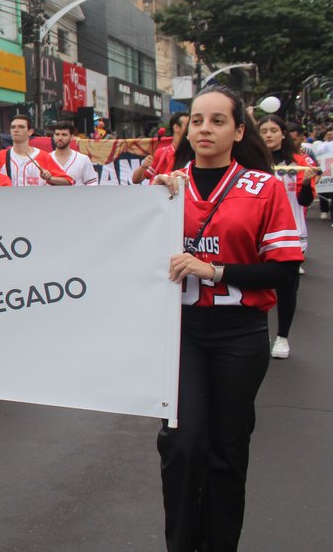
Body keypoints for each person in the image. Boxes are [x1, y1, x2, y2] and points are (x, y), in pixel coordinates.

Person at [152, 85, 301, 552]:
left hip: (240, 334)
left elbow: (284, 272)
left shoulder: (265, 188)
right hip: (181, 334)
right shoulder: (165, 188)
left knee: (226, 451)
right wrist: (150, 205)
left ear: (238, 131)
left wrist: (214, 270)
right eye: (197, 120)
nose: (205, 129)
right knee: (180, 445)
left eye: (218, 121)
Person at [258, 114, 316, 359]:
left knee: (287, 287)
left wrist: (307, 183)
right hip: (259, 233)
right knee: (256, 286)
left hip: (291, 233)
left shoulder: (299, 162)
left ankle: (282, 337)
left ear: (283, 134)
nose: (268, 135)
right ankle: (260, 333)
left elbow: (305, 201)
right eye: (263, 131)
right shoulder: (252, 163)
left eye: (273, 130)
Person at [0, 115, 73, 186]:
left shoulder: (43, 156)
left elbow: (68, 181)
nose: (16, 130)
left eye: (21, 127)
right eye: (13, 127)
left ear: (30, 132)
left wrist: (50, 179)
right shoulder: (1, 155)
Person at [133, 112, 190, 185]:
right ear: (176, 127)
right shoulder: (160, 153)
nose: (190, 128)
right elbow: (136, 180)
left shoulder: (194, 153)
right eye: (187, 125)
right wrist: (143, 166)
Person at [48, 121, 98, 186]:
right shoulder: (46, 158)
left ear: (71, 137)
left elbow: (92, 184)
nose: (60, 138)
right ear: (53, 136)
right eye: (57, 134)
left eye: (64, 135)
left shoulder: (83, 159)